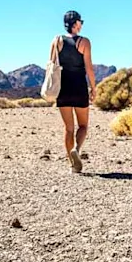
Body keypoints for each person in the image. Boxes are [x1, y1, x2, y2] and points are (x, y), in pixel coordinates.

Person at [50, 10, 97, 173]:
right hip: (79, 87)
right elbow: (89, 68)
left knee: (69, 128)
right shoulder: (84, 42)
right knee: (83, 125)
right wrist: (93, 87)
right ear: (76, 24)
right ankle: (76, 148)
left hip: (63, 88)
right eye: (80, 22)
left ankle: (72, 165)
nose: (82, 25)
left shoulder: (56, 41)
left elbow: (51, 65)